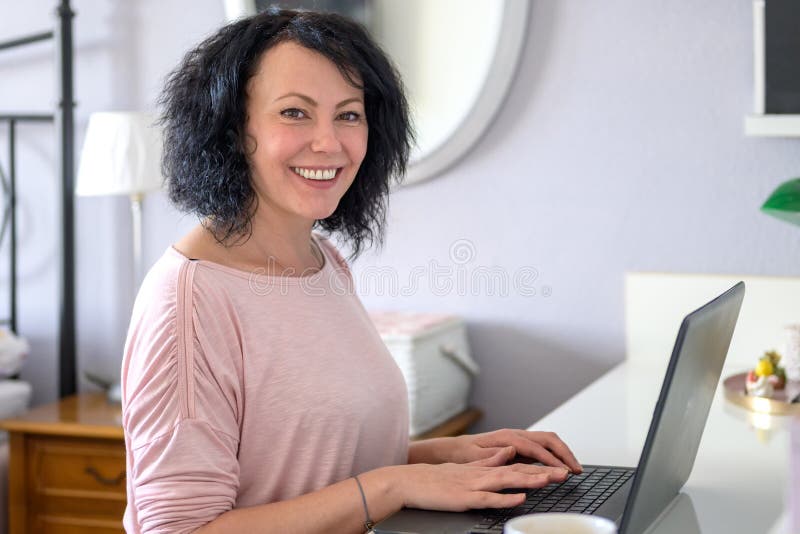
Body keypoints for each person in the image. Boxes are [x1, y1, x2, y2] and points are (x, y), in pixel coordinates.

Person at [121, 7, 582, 534]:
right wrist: (395, 485)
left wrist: (448, 456)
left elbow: (309, 464)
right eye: (295, 112)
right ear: (231, 128)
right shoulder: (189, 301)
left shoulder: (322, 261)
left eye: (348, 114)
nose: (329, 143)